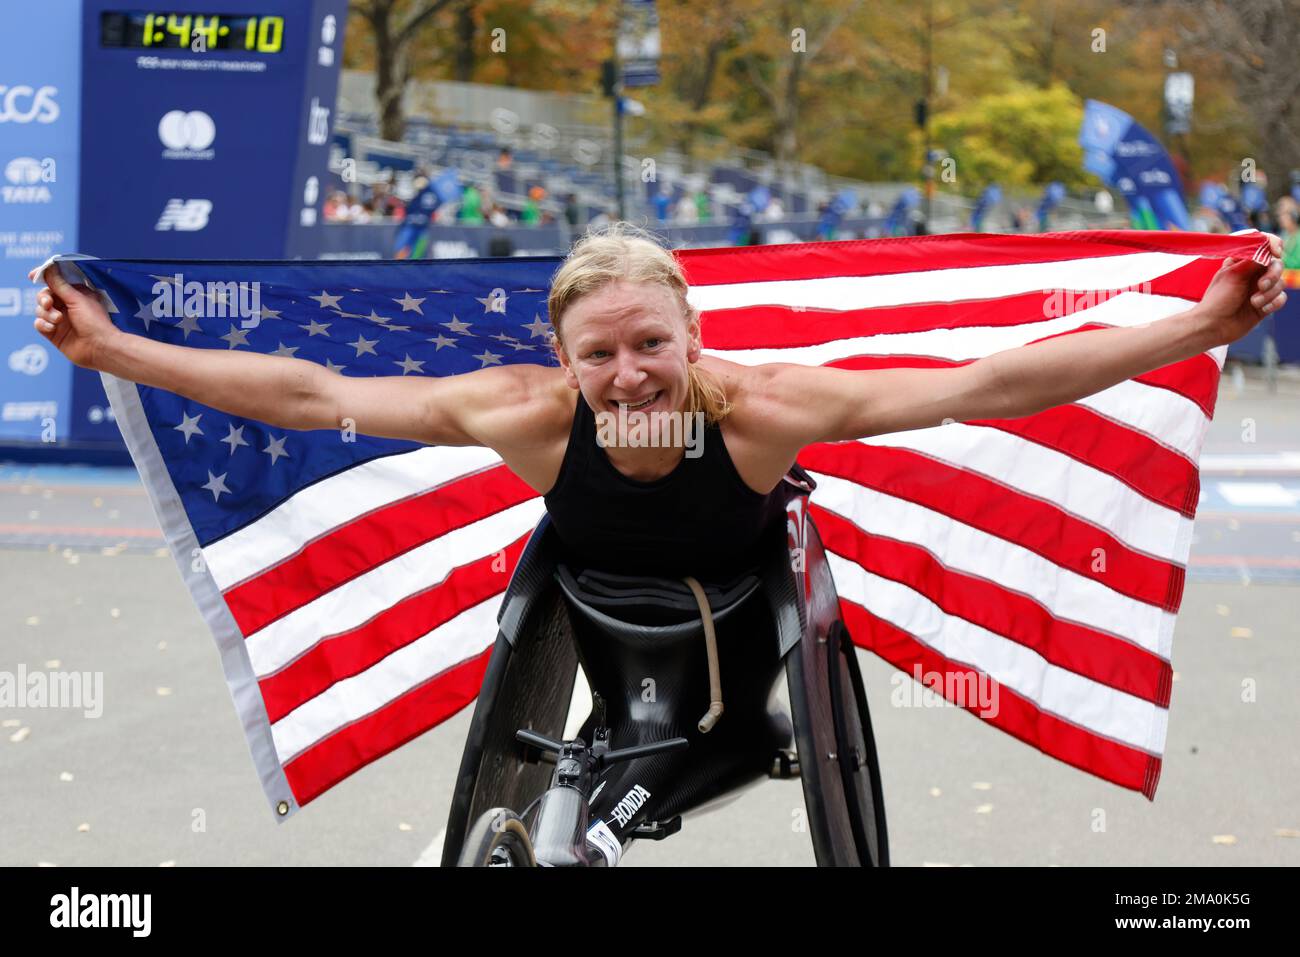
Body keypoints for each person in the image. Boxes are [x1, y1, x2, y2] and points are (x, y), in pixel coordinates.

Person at [28, 222, 1289, 580]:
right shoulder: (519, 411)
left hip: (740, 579)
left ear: (693, 335)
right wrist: (117, 356)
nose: (627, 375)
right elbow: (310, 394)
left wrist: (1196, 325)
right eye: (600, 354)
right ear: (560, 358)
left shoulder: (765, 410)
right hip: (583, 574)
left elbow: (992, 380)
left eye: (649, 344)